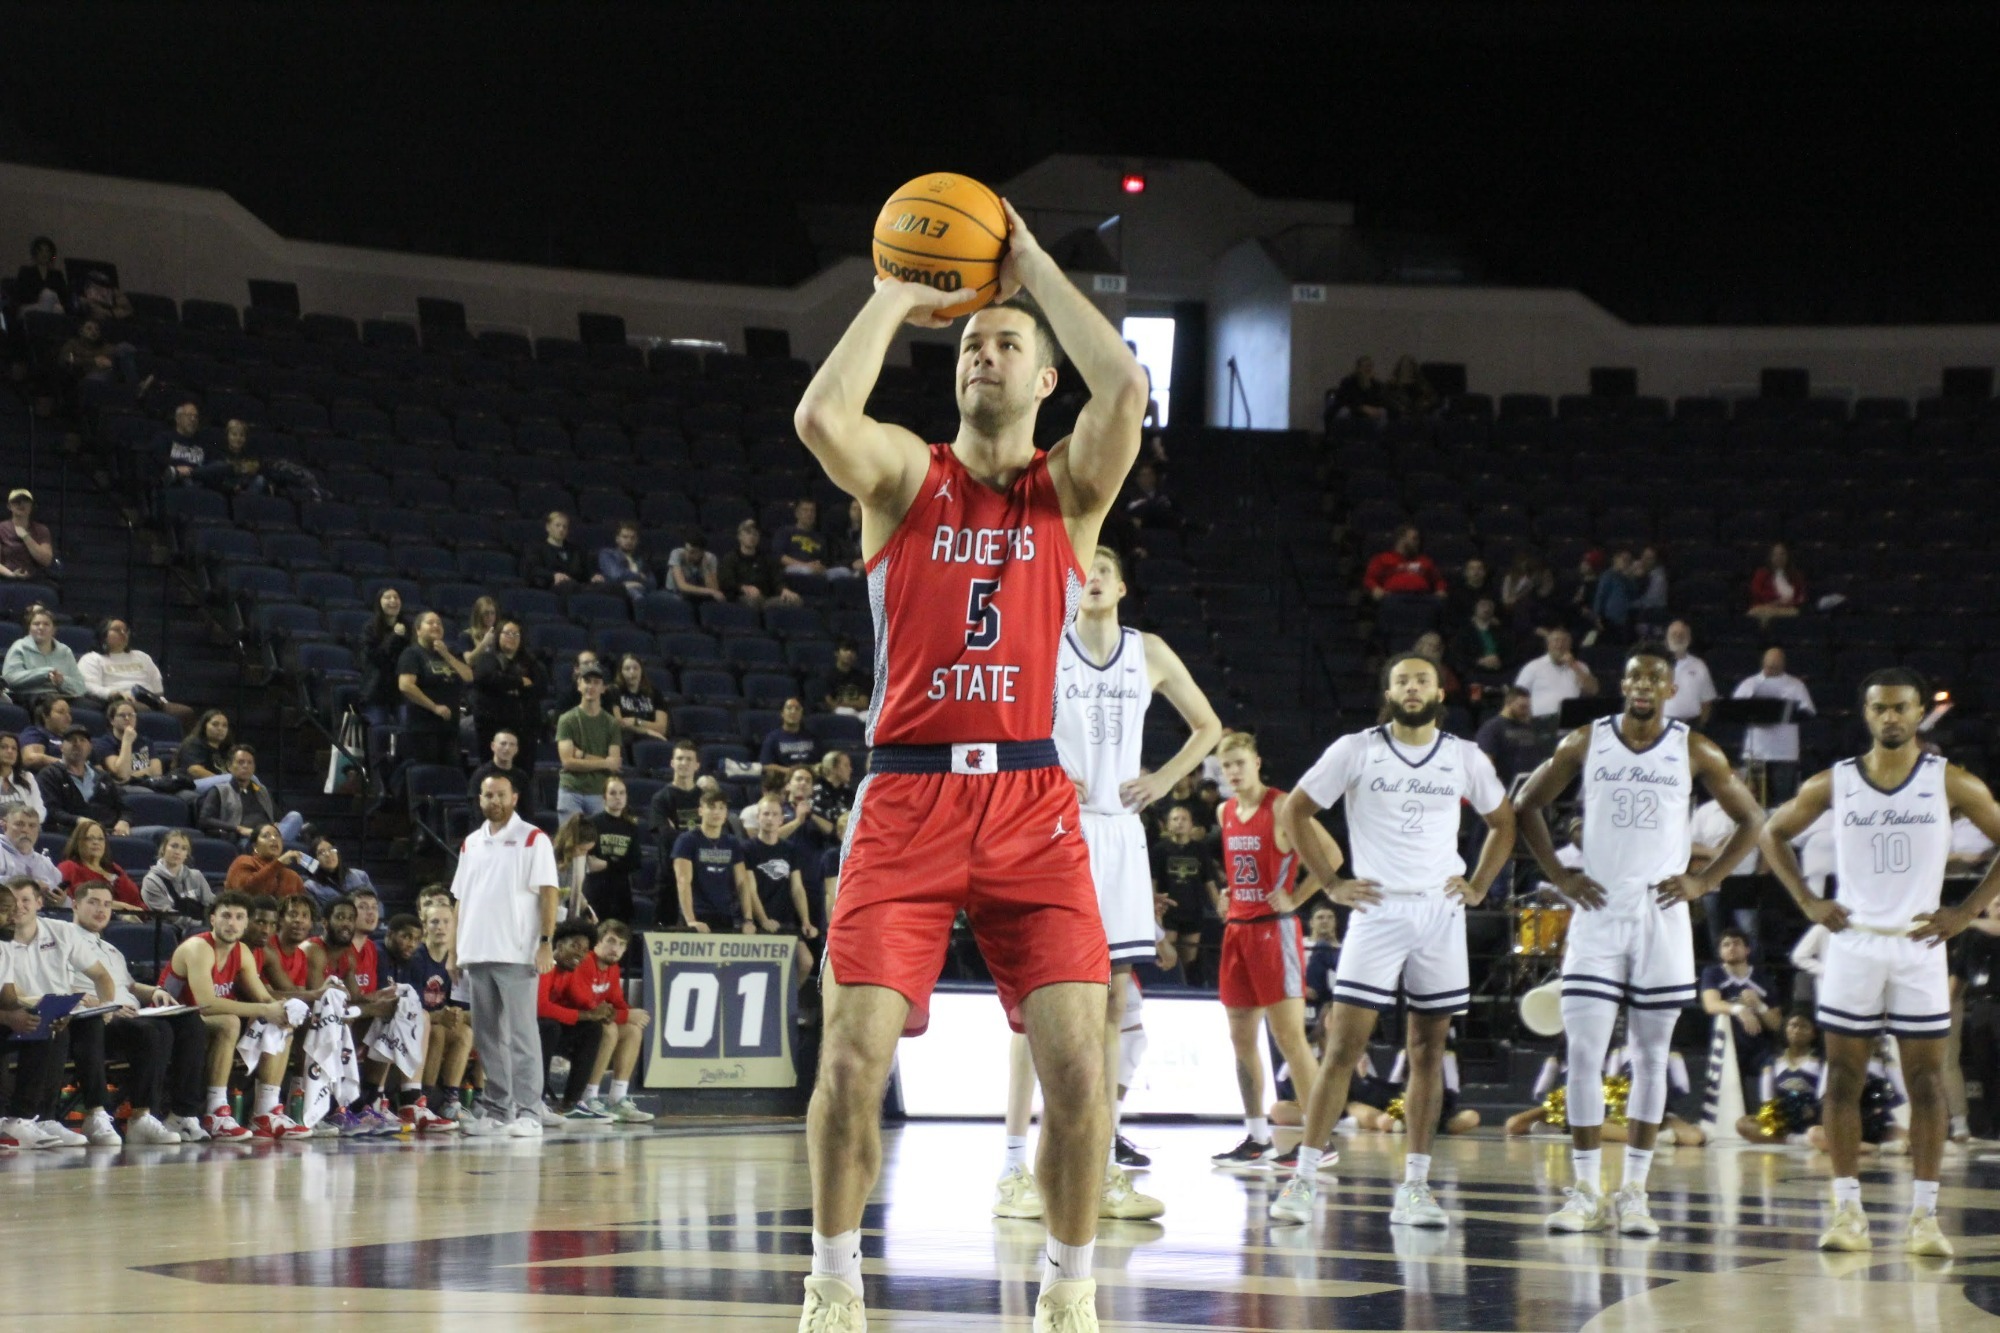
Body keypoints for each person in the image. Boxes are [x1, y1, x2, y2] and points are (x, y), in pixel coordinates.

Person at [790, 197, 1150, 1331]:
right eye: (971, 346)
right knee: (851, 1056)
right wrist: (900, 289)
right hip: (904, 790)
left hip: (1029, 801)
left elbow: (1128, 391)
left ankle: (1066, 1292)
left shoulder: (1070, 493)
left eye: (1006, 346)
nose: (983, 354)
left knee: (1078, 1068)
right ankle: (835, 1287)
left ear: (1043, 380)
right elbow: (817, 415)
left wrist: (1029, 267)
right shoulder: (904, 475)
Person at [1513, 641, 1766, 1237]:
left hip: (1662, 916)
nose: (1645, 686)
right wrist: (1559, 875)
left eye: (1657, 677)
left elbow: (1753, 820)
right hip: (1599, 912)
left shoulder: (1694, 748)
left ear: (1672, 689)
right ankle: (1582, 1190)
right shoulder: (1585, 740)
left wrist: (1706, 879)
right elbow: (1525, 804)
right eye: (1635, 677)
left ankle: (1634, 1191)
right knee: (1583, 1053)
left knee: (1653, 1056)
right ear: (1623, 686)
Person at [1001, 544, 1220, 1222]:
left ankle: (1096, 1166)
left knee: (1113, 1001)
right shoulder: (1042, 640)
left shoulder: (1147, 650)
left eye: (1102, 568)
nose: (1091, 576)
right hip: (1053, 830)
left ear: (1121, 584)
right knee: (1038, 1001)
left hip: (1121, 835)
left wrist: (1162, 777)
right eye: (1081, 568)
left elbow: (1208, 726)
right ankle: (1013, 1169)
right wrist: (1036, 769)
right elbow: (1001, 722)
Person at [1268, 654, 1515, 1229]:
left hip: (1439, 912)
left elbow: (1504, 822)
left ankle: (1416, 1187)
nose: (1411, 687)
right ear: (1388, 690)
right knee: (1341, 1051)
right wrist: (1330, 883)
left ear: (1438, 690)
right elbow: (1297, 809)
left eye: (1422, 679)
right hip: (1377, 910)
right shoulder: (1356, 749)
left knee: (1429, 1050)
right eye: (1401, 679)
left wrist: (1478, 885)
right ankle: (1303, 1178)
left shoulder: (1463, 755)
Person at [1760, 667, 2000, 1257]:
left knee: (1924, 1081)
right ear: (1865, 714)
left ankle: (1924, 1218)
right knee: (1841, 1078)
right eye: (1879, 708)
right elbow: (1771, 833)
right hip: (1856, 941)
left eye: (1900, 708)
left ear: (1920, 713)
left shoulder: (1950, 781)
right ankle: (1847, 1212)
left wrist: (1967, 911)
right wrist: (1808, 901)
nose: (1890, 717)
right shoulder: (1836, 781)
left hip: (1919, 943)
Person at [1209, 730, 1340, 1168]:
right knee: (1240, 1038)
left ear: (1257, 763)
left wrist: (1298, 898)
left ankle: (1320, 1142)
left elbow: (1333, 856)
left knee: (1290, 1039)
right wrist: (1230, 892)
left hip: (1274, 931)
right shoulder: (1224, 810)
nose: (1232, 772)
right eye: (1226, 765)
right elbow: (1242, 867)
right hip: (1237, 930)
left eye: (1240, 763)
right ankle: (1256, 1137)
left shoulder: (1283, 806)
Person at [449, 773, 561, 1138]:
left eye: (500, 794)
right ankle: (498, 1109)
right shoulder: (470, 843)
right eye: (487, 795)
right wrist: (454, 952)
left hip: (516, 952)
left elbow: (548, 892)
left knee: (522, 1036)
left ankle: (529, 1111)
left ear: (514, 797)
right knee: (487, 1038)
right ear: (479, 799)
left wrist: (545, 941)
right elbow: (460, 901)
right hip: (476, 952)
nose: (493, 800)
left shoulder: (533, 838)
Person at [68, 879, 212, 1144]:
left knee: (191, 1022)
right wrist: (102, 1004)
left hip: (132, 1013)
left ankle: (182, 1114)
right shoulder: (64, 940)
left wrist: (154, 991)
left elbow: (130, 984)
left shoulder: (110, 948)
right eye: (93, 902)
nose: (101, 909)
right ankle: (141, 1117)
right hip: (99, 1019)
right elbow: (59, 984)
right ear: (75, 905)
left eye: (107, 904)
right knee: (153, 1031)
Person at [157, 890, 306, 1140]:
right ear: (213, 919)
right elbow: (206, 1004)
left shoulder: (242, 952)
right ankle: (216, 1111)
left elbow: (263, 998)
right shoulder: (198, 947)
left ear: (246, 922)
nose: (232, 923)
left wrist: (285, 1008)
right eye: (226, 916)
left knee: (282, 1023)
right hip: (174, 1019)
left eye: (239, 917)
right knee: (229, 1021)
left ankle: (265, 1112)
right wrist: (264, 1009)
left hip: (200, 1022)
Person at [0, 876, 108, 1147]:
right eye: (4, 909)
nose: (11, 914)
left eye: (10, 908)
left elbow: (8, 995)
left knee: (45, 1024)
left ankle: (31, 1118)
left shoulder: (5, 941)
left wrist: (38, 1011)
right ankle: (14, 1119)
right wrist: (9, 1017)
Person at [553, 918, 653, 1122]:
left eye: (622, 944)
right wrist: (624, 1014)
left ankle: (617, 1099)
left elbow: (616, 1001)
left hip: (587, 1023)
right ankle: (588, 1097)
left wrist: (631, 1015)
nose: (616, 949)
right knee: (608, 1029)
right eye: (611, 941)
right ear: (597, 942)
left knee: (633, 1030)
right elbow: (583, 1002)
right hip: (565, 1025)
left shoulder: (612, 969)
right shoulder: (584, 962)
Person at [1701, 927, 1785, 1108]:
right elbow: (1711, 1004)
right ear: (1720, 952)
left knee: (1775, 1069)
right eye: (1726, 945)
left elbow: (1777, 1024)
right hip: (1728, 1047)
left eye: (1737, 943)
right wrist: (1739, 1009)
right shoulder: (1713, 973)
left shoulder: (1763, 978)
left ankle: (1772, 1118)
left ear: (1748, 950)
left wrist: (1759, 1006)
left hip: (1760, 1047)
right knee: (1735, 1104)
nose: (1731, 948)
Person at [1733, 647, 1815, 802]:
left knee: (1783, 803)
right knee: (1754, 802)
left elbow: (1808, 713)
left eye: (1775, 667)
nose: (1770, 670)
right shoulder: (1750, 684)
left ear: (1783, 666)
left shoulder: (1795, 685)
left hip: (1784, 754)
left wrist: (1782, 711)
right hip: (1756, 753)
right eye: (1768, 666)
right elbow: (1736, 711)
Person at [1151, 803, 1220, 982]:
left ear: (1191, 825)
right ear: (1167, 824)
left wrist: (1221, 908)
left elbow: (1210, 884)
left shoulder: (1200, 850)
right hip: (1169, 913)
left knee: (1189, 961)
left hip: (1193, 911)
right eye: (1175, 819)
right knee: (1169, 959)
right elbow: (1153, 884)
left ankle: (1187, 992)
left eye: (1184, 819)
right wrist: (1154, 914)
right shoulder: (1159, 850)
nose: (1179, 823)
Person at [1734, 1011, 1825, 1144]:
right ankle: (1796, 1140)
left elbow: (1825, 1097)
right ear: (1785, 1030)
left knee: (1824, 1127)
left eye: (1803, 1027)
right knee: (1743, 1124)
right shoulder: (1773, 1062)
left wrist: (1812, 1110)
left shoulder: (1820, 1062)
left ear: (1814, 1033)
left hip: (1811, 1116)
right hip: (1782, 1118)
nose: (1797, 1030)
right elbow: (1767, 1099)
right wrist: (1777, 1115)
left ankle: (1803, 1138)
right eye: (1793, 1025)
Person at [398, 611, 472, 767]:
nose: (436, 626)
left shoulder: (448, 652)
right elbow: (405, 685)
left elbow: (468, 676)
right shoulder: (412, 653)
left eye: (439, 623)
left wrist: (446, 655)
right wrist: (434, 707)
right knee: (429, 773)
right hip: (424, 728)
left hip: (450, 729)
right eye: (430, 623)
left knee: (451, 774)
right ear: (418, 630)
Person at [672, 789, 752, 932]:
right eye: (712, 807)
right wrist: (691, 921)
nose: (717, 812)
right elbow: (683, 881)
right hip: (697, 914)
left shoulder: (732, 842)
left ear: (726, 813)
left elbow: (742, 883)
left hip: (726, 914)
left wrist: (748, 919)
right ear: (701, 811)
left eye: (721, 807)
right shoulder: (687, 840)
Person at [195, 743, 303, 848]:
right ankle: (275, 849)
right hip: (246, 839)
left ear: (254, 767)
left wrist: (277, 825)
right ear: (229, 767)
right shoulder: (220, 790)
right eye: (241, 762)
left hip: (270, 834)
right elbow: (205, 820)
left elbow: (278, 817)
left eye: (249, 763)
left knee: (295, 816)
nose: (246, 766)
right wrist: (239, 829)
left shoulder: (262, 791)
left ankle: (272, 848)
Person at [469, 620, 546, 759]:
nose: (512, 637)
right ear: (498, 636)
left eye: (516, 634)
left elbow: (539, 688)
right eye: (507, 633)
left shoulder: (530, 662)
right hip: (492, 727)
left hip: (523, 729)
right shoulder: (487, 658)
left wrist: (507, 685)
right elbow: (487, 678)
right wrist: (519, 682)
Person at [555, 662, 620, 818]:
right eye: (587, 681)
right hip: (571, 790)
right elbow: (568, 762)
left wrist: (582, 755)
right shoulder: (566, 719)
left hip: (598, 792)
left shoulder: (611, 723)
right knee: (570, 842)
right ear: (579, 685)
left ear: (603, 688)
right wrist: (604, 762)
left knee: (598, 842)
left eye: (596, 682)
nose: (591, 686)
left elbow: (615, 765)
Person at [38, 727, 130, 835]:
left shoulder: (102, 776)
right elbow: (52, 811)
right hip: (73, 833)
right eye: (72, 740)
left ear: (90, 747)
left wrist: (124, 821)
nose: (77, 744)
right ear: (61, 747)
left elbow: (125, 808)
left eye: (82, 740)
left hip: (110, 831)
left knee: (153, 834)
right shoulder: (49, 774)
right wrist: (79, 821)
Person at [56, 818, 144, 916]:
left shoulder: (114, 868)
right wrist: (119, 906)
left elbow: (136, 901)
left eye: (100, 839)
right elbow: (71, 902)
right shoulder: (69, 867)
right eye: (89, 838)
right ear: (78, 842)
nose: (96, 842)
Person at [585, 776, 642, 923]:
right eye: (613, 793)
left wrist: (606, 864)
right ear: (604, 797)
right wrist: (618, 864)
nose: (618, 797)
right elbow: (590, 861)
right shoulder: (592, 823)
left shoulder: (631, 826)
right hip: (596, 892)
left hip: (621, 894)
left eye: (622, 793)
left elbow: (635, 862)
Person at [1514, 627, 1597, 722]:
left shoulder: (1580, 666)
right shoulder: (1533, 667)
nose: (1560, 645)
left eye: (1564, 641)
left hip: (1569, 723)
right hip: (1539, 723)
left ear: (1570, 645)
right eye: (1556, 641)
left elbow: (1593, 691)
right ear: (1548, 645)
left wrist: (1574, 666)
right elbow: (1517, 696)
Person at [359, 587, 413, 727]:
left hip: (401, 691)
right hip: (377, 689)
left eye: (396, 597)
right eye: (388, 597)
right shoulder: (370, 628)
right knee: (378, 731)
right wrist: (394, 636)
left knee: (407, 729)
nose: (393, 600)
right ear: (379, 602)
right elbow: (377, 658)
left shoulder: (409, 628)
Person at [1473, 686, 1544, 789]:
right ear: (1509, 703)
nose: (1526, 711)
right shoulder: (1492, 728)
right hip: (1507, 788)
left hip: (1531, 786)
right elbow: (1485, 762)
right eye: (1522, 707)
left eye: (1528, 707)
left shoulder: (1529, 727)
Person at [718, 517, 799, 607]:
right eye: (748, 533)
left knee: (795, 600)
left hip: (766, 599)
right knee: (753, 600)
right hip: (741, 598)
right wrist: (743, 588)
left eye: (755, 534)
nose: (752, 536)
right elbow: (726, 582)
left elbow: (777, 579)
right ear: (739, 536)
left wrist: (784, 589)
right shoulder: (730, 558)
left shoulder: (766, 558)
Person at [4, 606, 81, 701]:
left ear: (54, 630)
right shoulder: (19, 647)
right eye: (36, 624)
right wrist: (45, 673)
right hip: (29, 696)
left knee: (89, 708)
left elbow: (80, 687)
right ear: (29, 628)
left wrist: (61, 681)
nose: (41, 627)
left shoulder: (65, 651)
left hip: (61, 696)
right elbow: (9, 679)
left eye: (46, 624)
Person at [1362, 525, 1447, 603]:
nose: (1418, 543)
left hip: (1421, 600)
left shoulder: (1424, 560)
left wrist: (1441, 590)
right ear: (1401, 538)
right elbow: (1369, 578)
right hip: (1393, 600)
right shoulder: (1382, 558)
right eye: (1414, 539)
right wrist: (1375, 589)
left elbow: (1438, 580)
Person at [224, 823, 306, 898]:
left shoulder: (293, 877)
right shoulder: (243, 861)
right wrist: (277, 864)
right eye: (266, 836)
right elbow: (246, 892)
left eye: (277, 836)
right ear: (255, 846)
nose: (274, 839)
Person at [92, 698, 163, 786]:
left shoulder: (145, 741)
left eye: (131, 715)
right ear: (112, 721)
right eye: (122, 715)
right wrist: (127, 742)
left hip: (149, 783)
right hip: (126, 788)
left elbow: (157, 771)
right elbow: (122, 774)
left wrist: (131, 776)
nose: (127, 718)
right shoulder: (104, 743)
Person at [0, 802, 62, 900]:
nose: (26, 830)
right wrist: (32, 886)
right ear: (4, 826)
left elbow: (66, 900)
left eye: (32, 826)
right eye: (19, 824)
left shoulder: (45, 863)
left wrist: (61, 901)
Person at [467, 728, 535, 818]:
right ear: (493, 746)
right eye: (503, 744)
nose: (507, 748)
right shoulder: (480, 775)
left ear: (516, 749)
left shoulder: (521, 777)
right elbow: (476, 811)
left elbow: (528, 811)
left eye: (512, 745)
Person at [1661, 620, 1717, 727]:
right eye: (1674, 634)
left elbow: (1706, 702)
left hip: (1690, 725)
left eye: (1682, 634)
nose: (1678, 637)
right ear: (1666, 639)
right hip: (1661, 726)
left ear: (1689, 639)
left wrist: (1699, 726)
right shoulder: (1655, 664)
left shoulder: (1699, 665)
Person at [648, 738, 708, 836]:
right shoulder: (660, 799)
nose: (684, 763)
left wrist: (675, 832)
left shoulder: (706, 798)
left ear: (697, 765)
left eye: (689, 759)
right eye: (680, 758)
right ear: (672, 763)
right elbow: (664, 839)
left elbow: (715, 835)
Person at [301, 834, 375, 912]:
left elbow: (377, 906)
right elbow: (318, 917)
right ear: (314, 859)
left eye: (331, 849)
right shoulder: (310, 887)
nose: (328, 854)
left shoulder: (361, 875)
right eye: (321, 852)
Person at [775, 496, 841, 583]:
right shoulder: (785, 531)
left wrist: (820, 567)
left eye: (812, 511)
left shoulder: (820, 537)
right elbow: (779, 557)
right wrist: (805, 566)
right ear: (797, 513)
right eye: (805, 510)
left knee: (843, 571)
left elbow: (825, 561)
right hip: (794, 569)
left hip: (816, 570)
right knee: (807, 571)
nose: (809, 514)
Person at [522, 510, 594, 588]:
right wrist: (553, 575)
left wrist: (594, 576)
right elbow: (533, 569)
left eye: (564, 526)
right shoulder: (536, 548)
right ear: (548, 527)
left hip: (576, 587)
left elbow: (586, 571)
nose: (561, 529)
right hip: (549, 586)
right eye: (557, 525)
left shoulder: (576, 550)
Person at [611, 654, 669, 750]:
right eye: (627, 669)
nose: (632, 672)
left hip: (652, 740)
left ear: (641, 670)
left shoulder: (654, 693)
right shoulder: (614, 691)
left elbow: (662, 728)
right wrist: (646, 731)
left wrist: (636, 721)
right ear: (621, 672)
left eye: (635, 668)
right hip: (626, 740)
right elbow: (619, 723)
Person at [0, 491, 56, 584]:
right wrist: (12, 575)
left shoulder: (41, 529)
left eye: (25, 501)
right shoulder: (1, 529)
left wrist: (26, 536)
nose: (21, 504)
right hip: (7, 580)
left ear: (31, 507)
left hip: (36, 581)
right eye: (16, 501)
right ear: (9, 506)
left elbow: (46, 560)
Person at [1748, 541, 1808, 625]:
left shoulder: (1796, 575)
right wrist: (1773, 602)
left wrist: (1785, 603)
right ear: (1771, 557)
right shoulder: (1761, 573)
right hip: (1765, 607)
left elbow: (1801, 596)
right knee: (1755, 613)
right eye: (1775, 554)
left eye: (1782, 554)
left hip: (1787, 608)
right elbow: (1756, 591)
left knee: (1794, 614)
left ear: (1787, 556)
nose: (1779, 557)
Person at [175, 708, 236, 788]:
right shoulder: (193, 744)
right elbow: (194, 770)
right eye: (215, 724)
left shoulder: (228, 749)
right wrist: (223, 781)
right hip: (193, 784)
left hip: (221, 785)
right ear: (204, 726)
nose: (220, 728)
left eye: (224, 726)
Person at [597, 520, 656, 597]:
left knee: (670, 598)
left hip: (643, 591)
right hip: (619, 593)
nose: (629, 541)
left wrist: (636, 583)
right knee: (636, 594)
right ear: (617, 539)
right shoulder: (607, 554)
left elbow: (652, 583)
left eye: (633, 538)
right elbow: (616, 575)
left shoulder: (641, 558)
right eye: (625, 537)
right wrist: (639, 576)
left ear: (637, 541)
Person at [1326, 355, 1388, 426]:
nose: (1368, 369)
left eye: (1370, 366)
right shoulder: (1348, 382)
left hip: (1368, 411)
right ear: (1358, 368)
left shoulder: (1375, 384)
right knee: (1344, 412)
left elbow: (1379, 400)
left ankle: (1379, 436)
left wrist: (1374, 409)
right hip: (1352, 409)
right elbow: (1346, 400)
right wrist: (1361, 408)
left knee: (1383, 411)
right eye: (1365, 366)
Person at [664, 529, 724, 602]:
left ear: (702, 552)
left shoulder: (711, 558)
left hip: (699, 592)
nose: (687, 555)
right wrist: (711, 591)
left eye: (692, 552)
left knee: (717, 600)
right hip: (675, 591)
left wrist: (705, 568)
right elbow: (682, 586)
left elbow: (715, 588)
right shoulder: (676, 554)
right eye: (686, 550)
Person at [817, 637, 873, 714]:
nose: (849, 653)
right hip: (838, 714)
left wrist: (841, 703)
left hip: (860, 713)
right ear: (836, 653)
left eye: (852, 651)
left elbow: (864, 703)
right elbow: (830, 703)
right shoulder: (827, 676)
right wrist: (854, 704)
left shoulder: (862, 676)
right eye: (845, 649)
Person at [14, 236, 70, 313]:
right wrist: (42, 299)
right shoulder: (26, 272)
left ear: (51, 254)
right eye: (40, 251)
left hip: (52, 307)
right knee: (47, 295)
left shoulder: (57, 275)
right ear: (35, 253)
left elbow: (64, 296)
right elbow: (21, 294)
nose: (44, 254)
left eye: (47, 251)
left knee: (57, 308)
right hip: (29, 308)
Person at [759, 696, 818, 768]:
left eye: (797, 709)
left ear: (802, 714)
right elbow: (766, 765)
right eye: (789, 708)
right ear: (782, 713)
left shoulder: (812, 737)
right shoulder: (772, 738)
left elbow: (819, 763)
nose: (793, 711)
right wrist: (790, 772)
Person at [15, 697, 69, 772]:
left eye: (69, 713)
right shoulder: (35, 732)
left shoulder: (70, 738)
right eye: (61, 712)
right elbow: (31, 758)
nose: (68, 717)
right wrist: (68, 765)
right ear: (45, 716)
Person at [0, 734, 47, 820]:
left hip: (28, 828)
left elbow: (40, 809)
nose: (10, 751)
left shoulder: (27, 777)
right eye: (3, 747)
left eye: (14, 748)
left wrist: (30, 824)